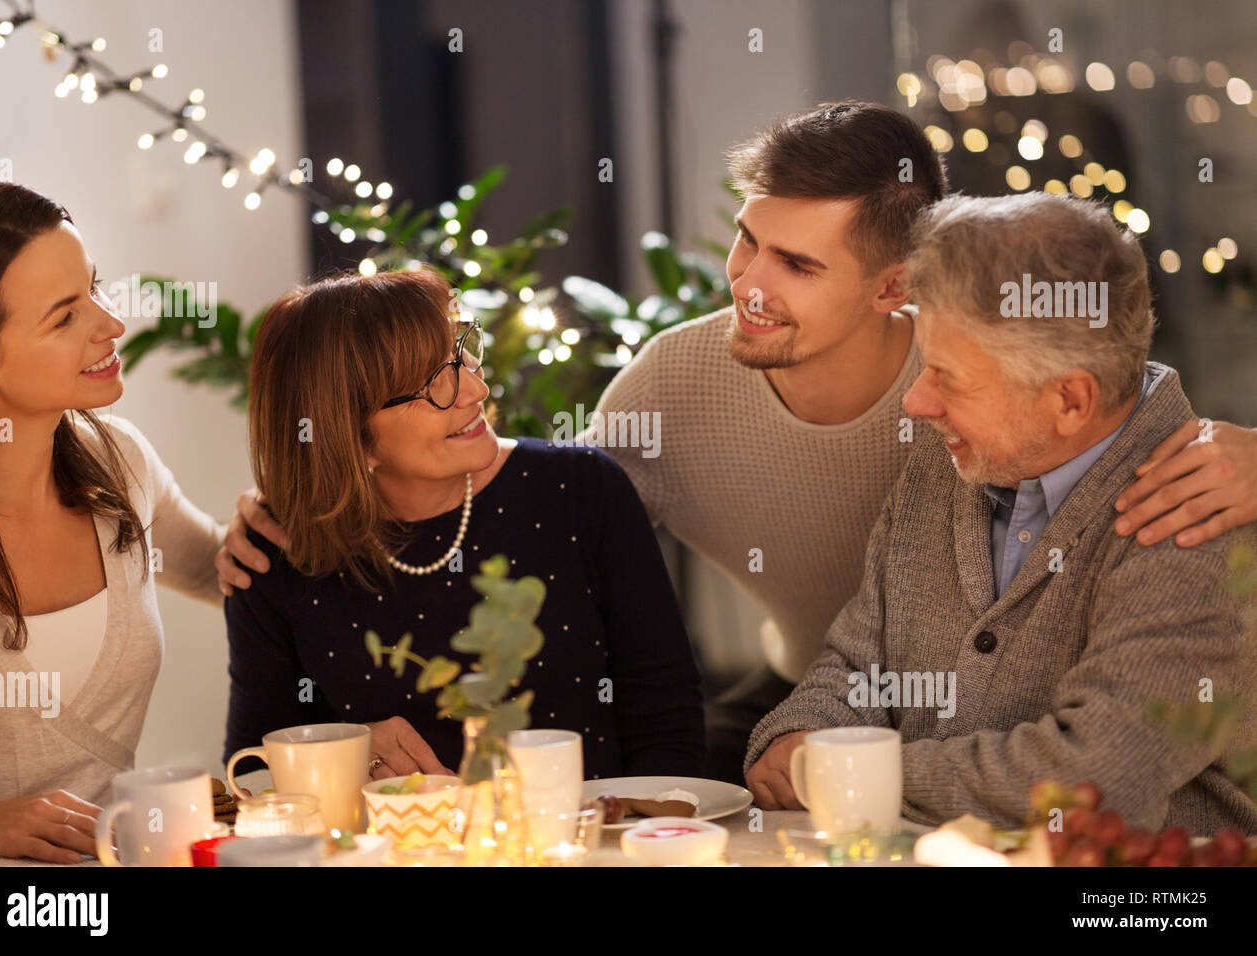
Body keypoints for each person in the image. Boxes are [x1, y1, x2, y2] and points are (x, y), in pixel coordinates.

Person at [220, 101, 1257, 785]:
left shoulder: (1014, 392)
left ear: (893, 288)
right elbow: (525, 500)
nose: (749, 285)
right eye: (747, 241)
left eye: (796, 266)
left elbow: (1115, 414)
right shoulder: (680, 382)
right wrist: (301, 500)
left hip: (907, 759)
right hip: (813, 702)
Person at [745, 192, 1257, 835]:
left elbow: (1098, 779)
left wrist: (850, 772)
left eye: (947, 378)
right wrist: (803, 732)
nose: (916, 402)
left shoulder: (1199, 513)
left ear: (1070, 400)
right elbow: (858, 665)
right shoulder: (955, 458)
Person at [222, 268, 705, 780]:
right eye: (433, 384)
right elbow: (252, 776)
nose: (475, 388)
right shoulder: (272, 550)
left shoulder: (580, 489)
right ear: (353, 440)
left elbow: (667, 719)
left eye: (460, 352)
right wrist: (344, 752)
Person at [0, 181, 225, 864]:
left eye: (96, 290)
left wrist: (263, 520)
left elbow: (225, 569)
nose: (111, 324)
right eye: (64, 317)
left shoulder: (121, 460)